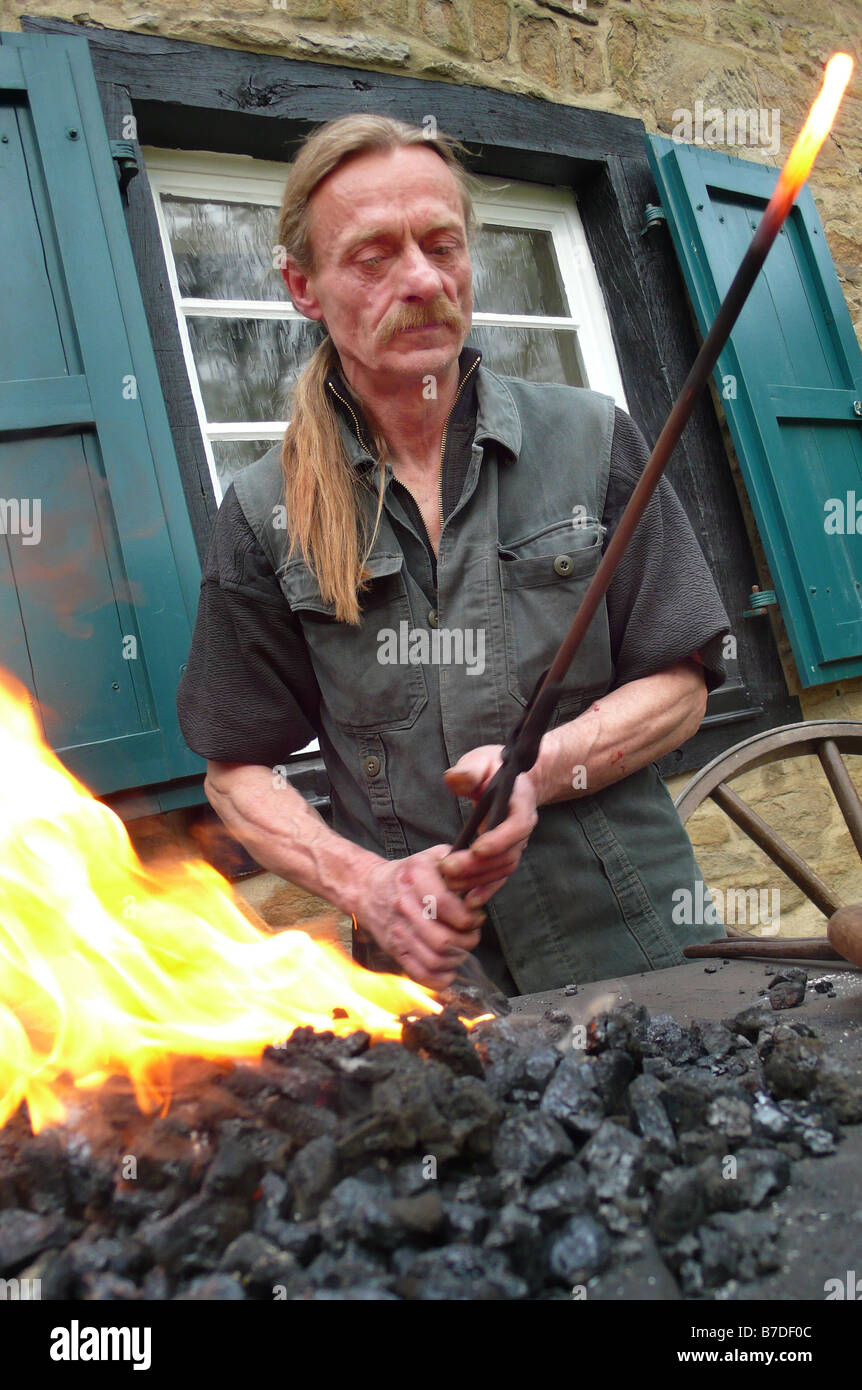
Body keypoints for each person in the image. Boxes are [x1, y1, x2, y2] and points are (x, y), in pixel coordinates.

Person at [177, 114, 729, 998]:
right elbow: (237, 771)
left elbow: (682, 682)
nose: (424, 279)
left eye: (444, 245)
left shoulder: (591, 440)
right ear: (302, 286)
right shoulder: (261, 510)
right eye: (374, 256)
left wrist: (540, 770)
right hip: (426, 975)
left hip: (634, 937)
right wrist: (368, 886)